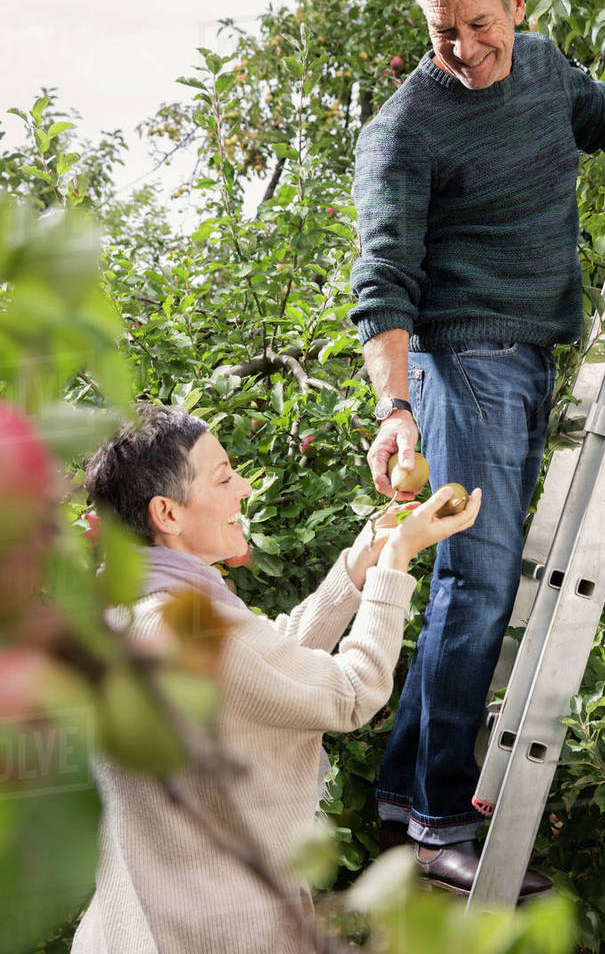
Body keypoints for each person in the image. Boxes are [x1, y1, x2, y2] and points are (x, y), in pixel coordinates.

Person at [349, 0, 605, 895]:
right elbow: (382, 283)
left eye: (478, 25)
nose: (462, 50)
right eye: (441, 33)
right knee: (477, 586)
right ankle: (436, 822)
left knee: (467, 586)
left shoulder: (546, 68)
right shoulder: (405, 128)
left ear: (517, 1)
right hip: (457, 364)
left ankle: (397, 802)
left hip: (527, 362)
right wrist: (395, 411)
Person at [71, 403, 480, 954]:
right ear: (167, 513)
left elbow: (263, 662)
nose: (242, 487)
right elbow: (350, 693)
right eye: (223, 478)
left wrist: (356, 569)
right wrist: (394, 566)